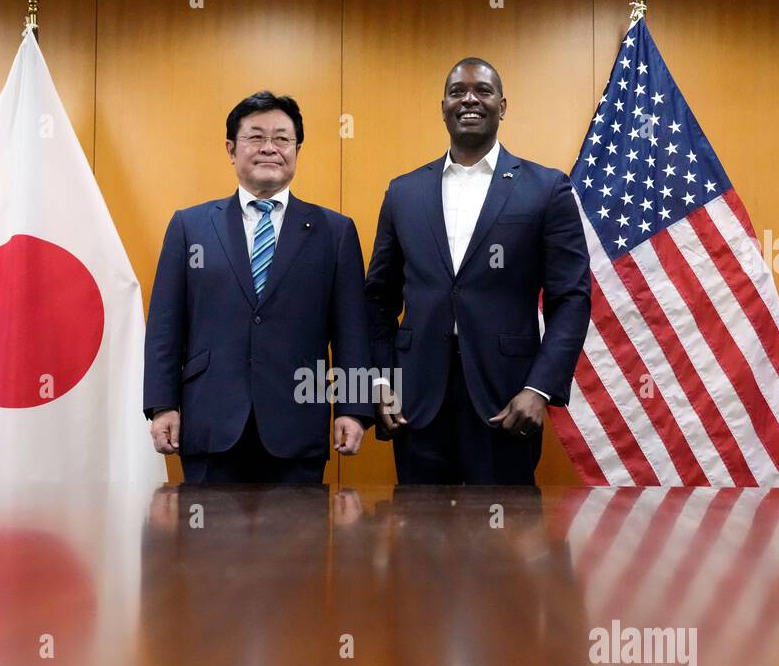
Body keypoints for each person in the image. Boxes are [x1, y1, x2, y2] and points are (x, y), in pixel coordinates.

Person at [364, 58, 591, 485]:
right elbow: (377, 299)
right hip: (414, 402)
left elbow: (571, 299)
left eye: (483, 91)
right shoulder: (403, 192)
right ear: (443, 106)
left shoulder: (547, 189)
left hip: (507, 400)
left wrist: (539, 390)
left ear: (502, 106)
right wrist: (379, 380)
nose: (470, 99)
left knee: (502, 543)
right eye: (458, 91)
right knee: (420, 538)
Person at [144, 91, 373, 483]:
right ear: (232, 149)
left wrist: (354, 408)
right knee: (209, 543)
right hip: (210, 424)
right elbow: (166, 326)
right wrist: (162, 405)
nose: (270, 148)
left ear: (297, 149)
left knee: (296, 543)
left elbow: (353, 330)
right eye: (256, 137)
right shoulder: (190, 226)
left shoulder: (334, 232)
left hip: (297, 425)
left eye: (282, 138)